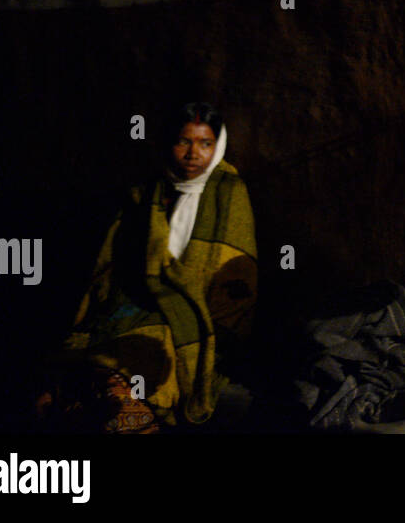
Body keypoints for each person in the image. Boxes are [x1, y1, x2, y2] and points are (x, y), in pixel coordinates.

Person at [36, 102, 257, 432]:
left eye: (205, 143)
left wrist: (181, 299)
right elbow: (112, 263)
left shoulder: (228, 193)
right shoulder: (147, 191)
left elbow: (235, 279)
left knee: (137, 355)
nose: (193, 153)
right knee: (86, 351)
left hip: (195, 311)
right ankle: (99, 396)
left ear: (217, 146)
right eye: (183, 141)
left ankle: (125, 404)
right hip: (134, 300)